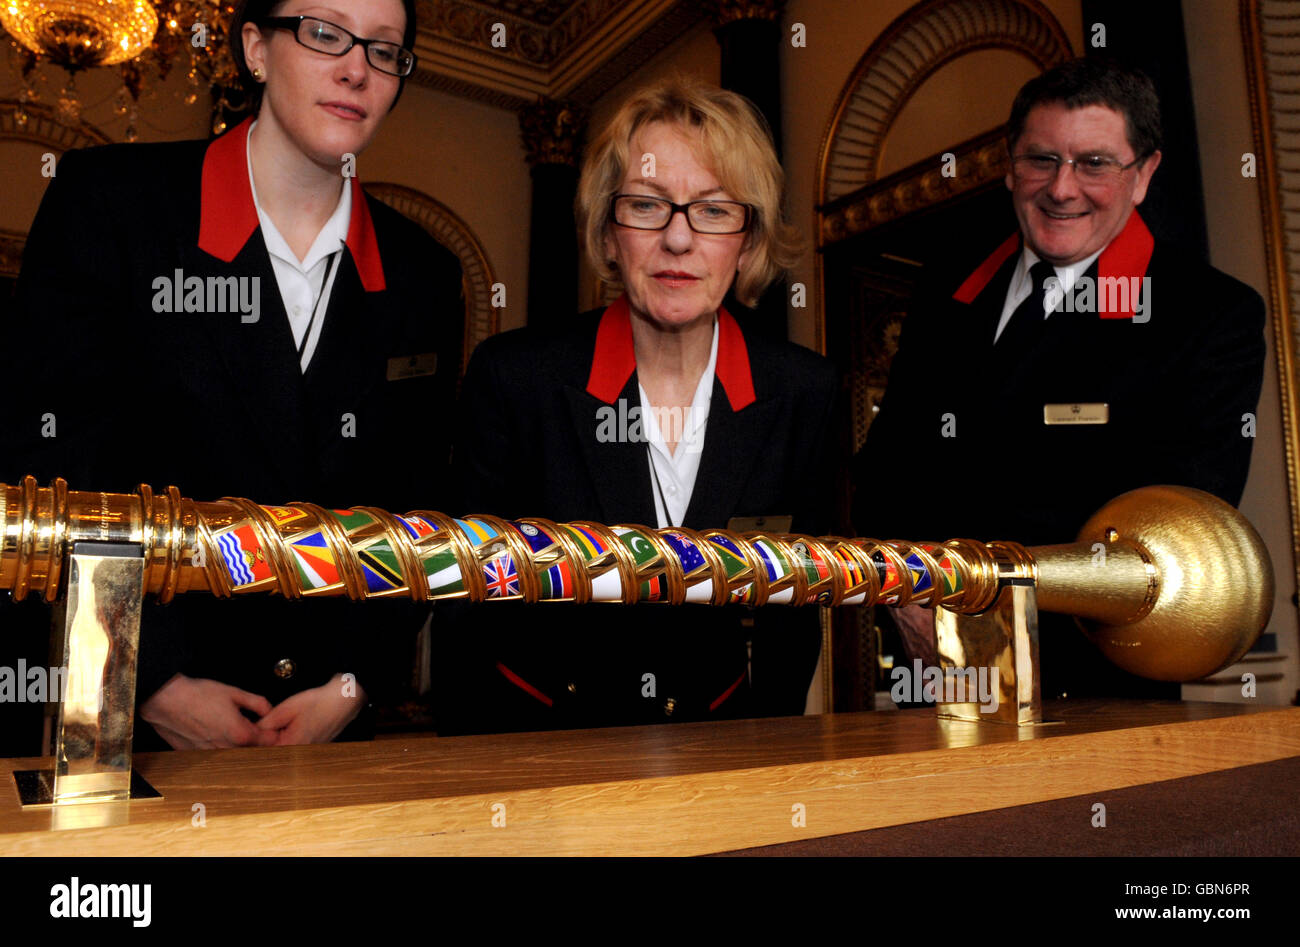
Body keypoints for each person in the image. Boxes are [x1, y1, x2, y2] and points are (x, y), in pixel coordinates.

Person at [2, 0, 463, 751]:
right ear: (255, 48)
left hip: (327, 726)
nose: (357, 69)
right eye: (325, 33)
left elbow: (419, 508)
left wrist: (351, 686)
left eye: (384, 50)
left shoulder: (427, 273)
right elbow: (51, 461)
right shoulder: (111, 202)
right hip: (131, 717)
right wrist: (149, 678)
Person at [434, 77, 838, 734]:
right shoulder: (516, 378)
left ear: (748, 240)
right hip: (546, 751)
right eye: (647, 206)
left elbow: (793, 614)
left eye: (713, 210)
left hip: (724, 753)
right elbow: (465, 604)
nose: (678, 240)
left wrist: (762, 761)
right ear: (607, 233)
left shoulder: (803, 392)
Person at [856, 56, 1266, 700]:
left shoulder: (1210, 314)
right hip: (931, 667)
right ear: (1010, 165)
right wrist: (906, 596)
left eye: (1094, 163)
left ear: (1143, 174)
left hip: (1096, 683)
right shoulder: (947, 287)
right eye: (1040, 160)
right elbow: (886, 467)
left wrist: (984, 611)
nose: (1062, 189)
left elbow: (1178, 535)